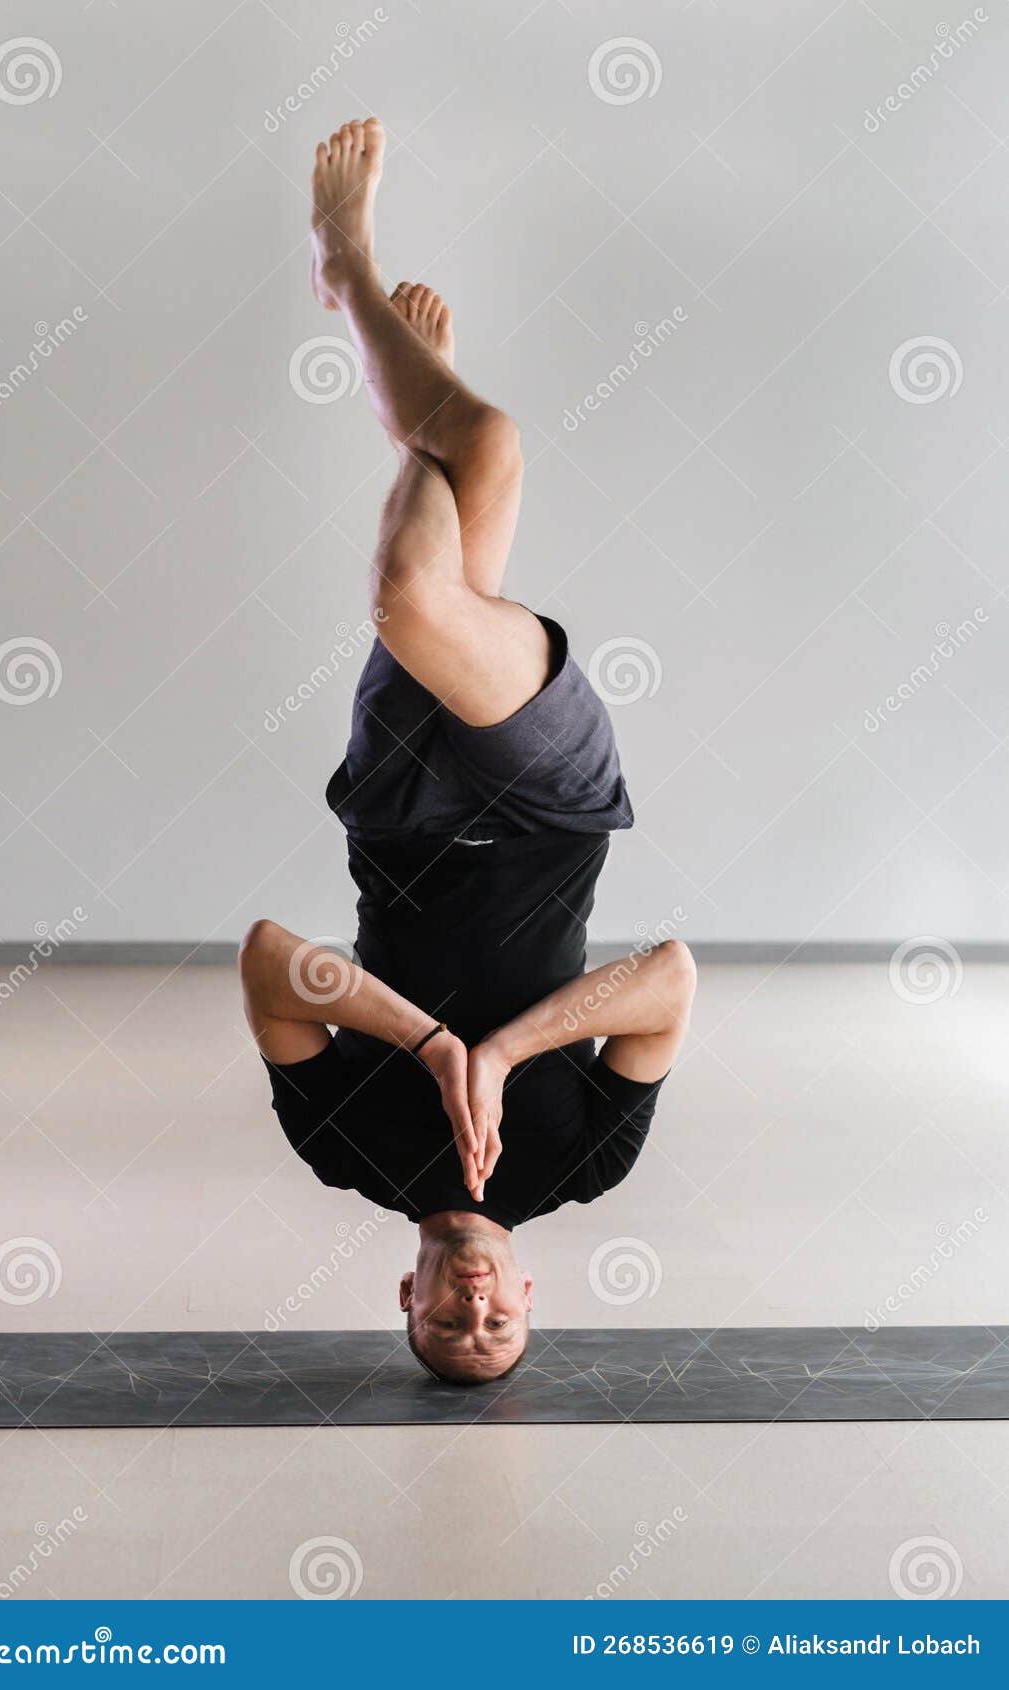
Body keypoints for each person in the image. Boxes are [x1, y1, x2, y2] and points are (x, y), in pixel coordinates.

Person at [240, 118, 697, 1385]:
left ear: (408, 1295)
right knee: (424, 570)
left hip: (395, 811)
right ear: (529, 1296)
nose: (475, 1311)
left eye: (446, 1327)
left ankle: (400, 384)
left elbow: (272, 961)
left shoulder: (349, 1151)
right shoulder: (579, 1166)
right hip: (553, 809)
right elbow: (668, 978)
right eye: (500, 1327)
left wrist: (431, 1044)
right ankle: (347, 273)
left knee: (457, 500)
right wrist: (501, 1051)